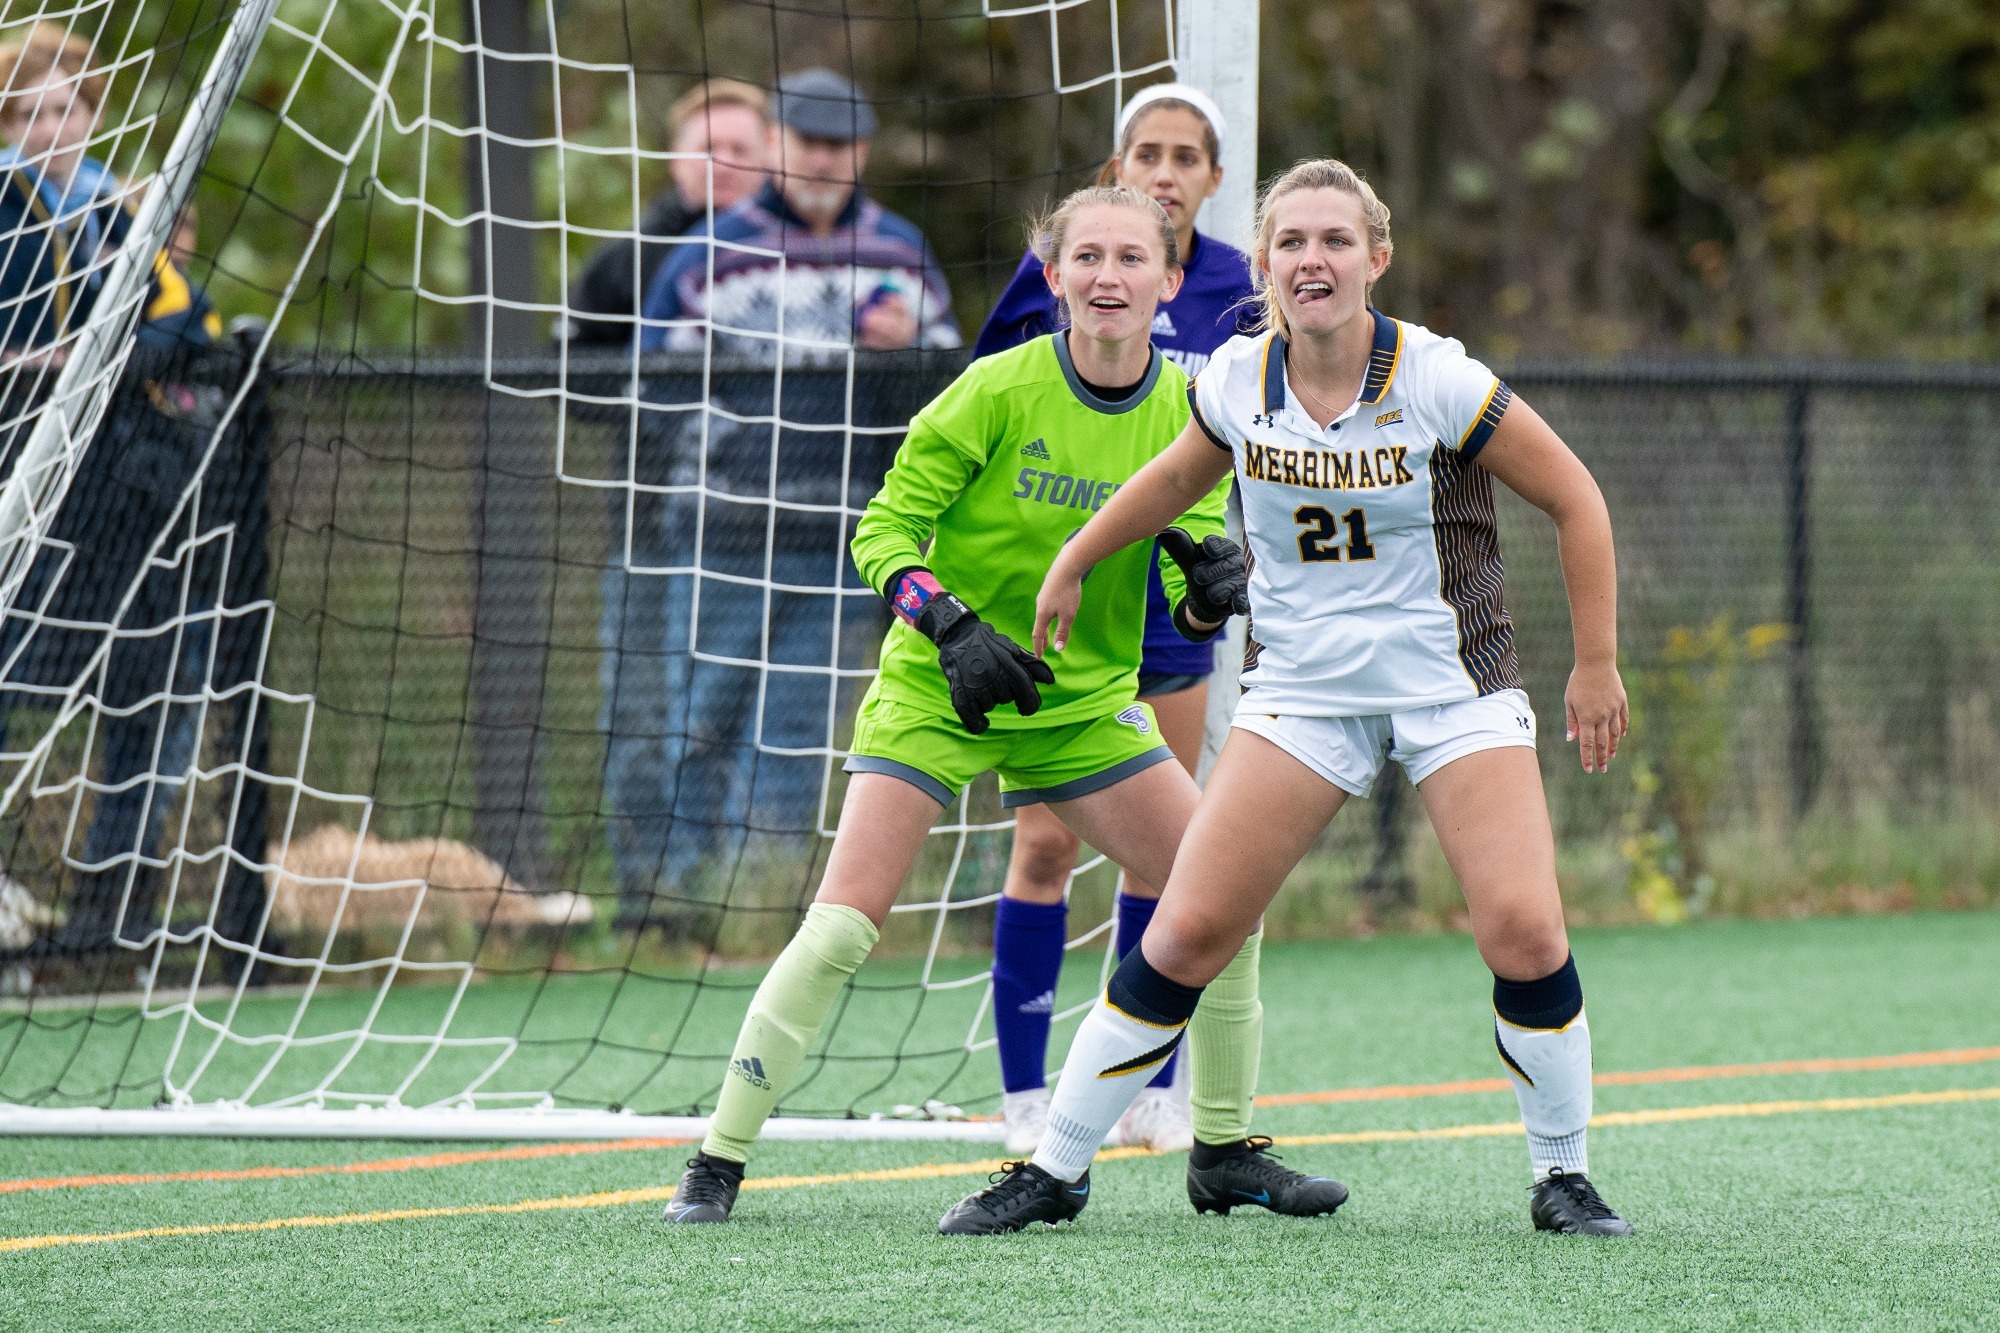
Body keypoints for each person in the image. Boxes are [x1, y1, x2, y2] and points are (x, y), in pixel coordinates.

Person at [943, 158, 1635, 1237]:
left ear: (1375, 258)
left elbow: (1576, 498)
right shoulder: (1230, 378)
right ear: (1261, 263)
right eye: (1290, 243)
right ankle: (1055, 1166)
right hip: (1303, 691)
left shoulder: (1436, 378)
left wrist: (1593, 664)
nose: (1311, 260)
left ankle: (1562, 1174)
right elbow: (1173, 478)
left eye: (1333, 240)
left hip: (1448, 687)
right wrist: (1075, 556)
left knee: (1522, 929)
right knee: (1185, 930)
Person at [661, 186, 1339, 1232]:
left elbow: (1178, 578)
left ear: (1168, 281)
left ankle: (1221, 1149)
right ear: (1053, 274)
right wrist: (947, 624)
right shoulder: (993, 390)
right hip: (939, 685)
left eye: (1130, 260)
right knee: (842, 926)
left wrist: (1204, 587)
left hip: (1078, 709)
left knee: (1226, 899)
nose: (1107, 277)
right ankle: (717, 1157)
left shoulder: (1190, 408)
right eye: (1087, 259)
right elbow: (883, 531)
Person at [599, 70, 959, 933]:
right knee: (702, 713)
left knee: (796, 728)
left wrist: (911, 352)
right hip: (720, 531)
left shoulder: (903, 252)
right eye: (809, 143)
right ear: (779, 149)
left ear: (863, 152)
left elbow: (953, 395)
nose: (824, 161)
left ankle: (758, 903)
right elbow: (651, 385)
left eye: (842, 145)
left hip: (841, 536)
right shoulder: (707, 253)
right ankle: (681, 900)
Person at [970, 82, 1256, 1155]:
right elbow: (993, 398)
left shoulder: (1239, 286)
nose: (1166, 171)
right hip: (1066, 594)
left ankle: (1149, 1086)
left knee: (1168, 850)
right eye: (1147, 152)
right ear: (1115, 165)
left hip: (1169, 599)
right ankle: (1018, 1091)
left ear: (1214, 181)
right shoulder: (1064, 274)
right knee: (1042, 845)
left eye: (1187, 156)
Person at [0, 23, 229, 955]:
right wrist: (29, 365)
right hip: (23, 489)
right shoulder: (9, 209)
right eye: (34, 111)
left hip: (123, 495)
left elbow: (191, 324)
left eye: (72, 106)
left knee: (152, 691)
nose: (57, 126)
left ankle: (110, 904)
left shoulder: (120, 215)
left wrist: (94, 363)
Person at [560, 79, 769, 347]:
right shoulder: (629, 256)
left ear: (769, 157)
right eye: (708, 149)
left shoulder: (802, 241)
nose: (724, 164)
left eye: (739, 150)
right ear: (675, 158)